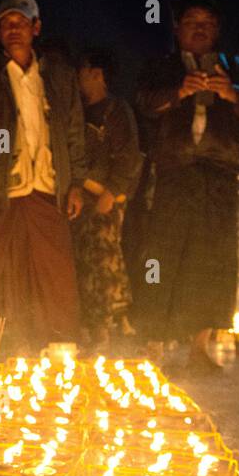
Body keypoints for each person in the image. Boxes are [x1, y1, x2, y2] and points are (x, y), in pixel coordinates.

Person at [132, 0, 239, 372]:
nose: (200, 29)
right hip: (173, 172)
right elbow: (143, 102)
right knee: (162, 254)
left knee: (212, 260)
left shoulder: (236, 68)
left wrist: (230, 93)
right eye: (192, 22)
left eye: (207, 23)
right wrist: (180, 91)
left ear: (217, 30)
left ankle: (199, 347)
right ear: (177, 29)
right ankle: (153, 342)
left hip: (219, 173)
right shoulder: (163, 67)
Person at [0, 0, 87, 354]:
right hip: (4, 194)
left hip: (48, 189)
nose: (14, 30)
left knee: (54, 274)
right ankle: (3, 351)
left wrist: (75, 184)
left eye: (21, 23)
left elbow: (74, 132)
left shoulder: (57, 77)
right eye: (7, 24)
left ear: (36, 28)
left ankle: (58, 349)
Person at [74, 46, 143, 350]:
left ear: (97, 75)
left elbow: (128, 155)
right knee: (85, 261)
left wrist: (113, 191)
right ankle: (89, 325)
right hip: (83, 198)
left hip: (106, 198)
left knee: (104, 262)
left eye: (83, 70)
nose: (78, 76)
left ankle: (104, 328)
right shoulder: (79, 111)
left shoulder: (116, 110)